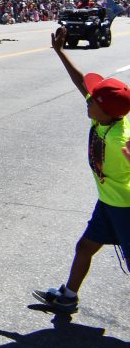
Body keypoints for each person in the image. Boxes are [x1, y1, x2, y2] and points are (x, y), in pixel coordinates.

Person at [32, 25, 130, 312]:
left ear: (104, 109)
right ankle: (68, 296)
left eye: (93, 100)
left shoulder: (119, 137)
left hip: (125, 207)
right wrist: (60, 53)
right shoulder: (104, 117)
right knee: (85, 247)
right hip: (109, 203)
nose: (87, 101)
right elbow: (81, 84)